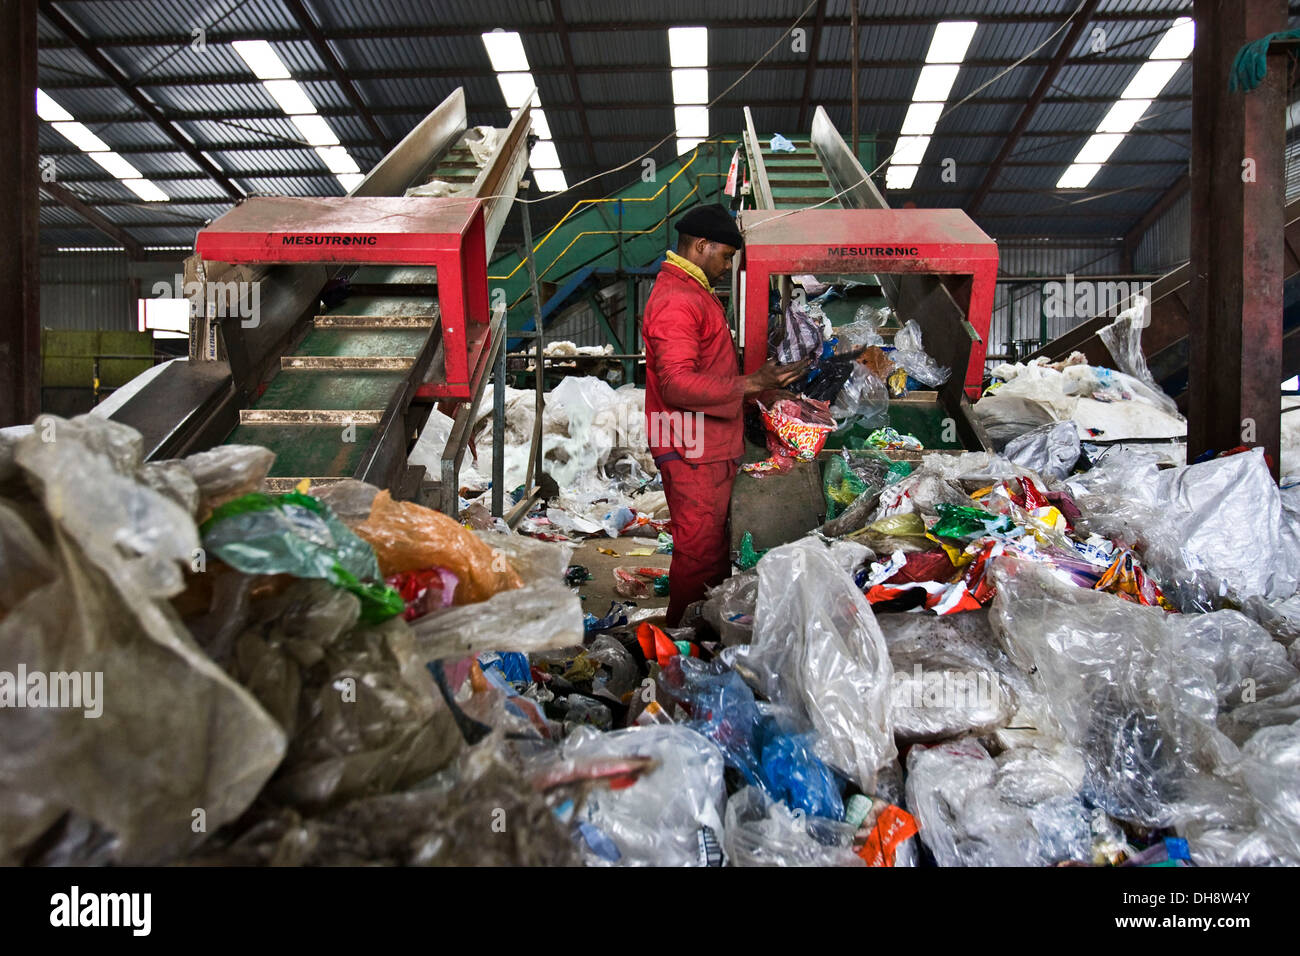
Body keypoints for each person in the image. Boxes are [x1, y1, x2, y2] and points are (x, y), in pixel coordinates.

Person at [641, 203, 808, 625]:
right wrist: (751, 383)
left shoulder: (691, 291)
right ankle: (683, 645)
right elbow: (677, 384)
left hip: (701, 444)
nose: (726, 266)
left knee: (711, 550)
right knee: (698, 553)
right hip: (690, 445)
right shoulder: (678, 300)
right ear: (701, 245)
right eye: (726, 257)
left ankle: (705, 632)